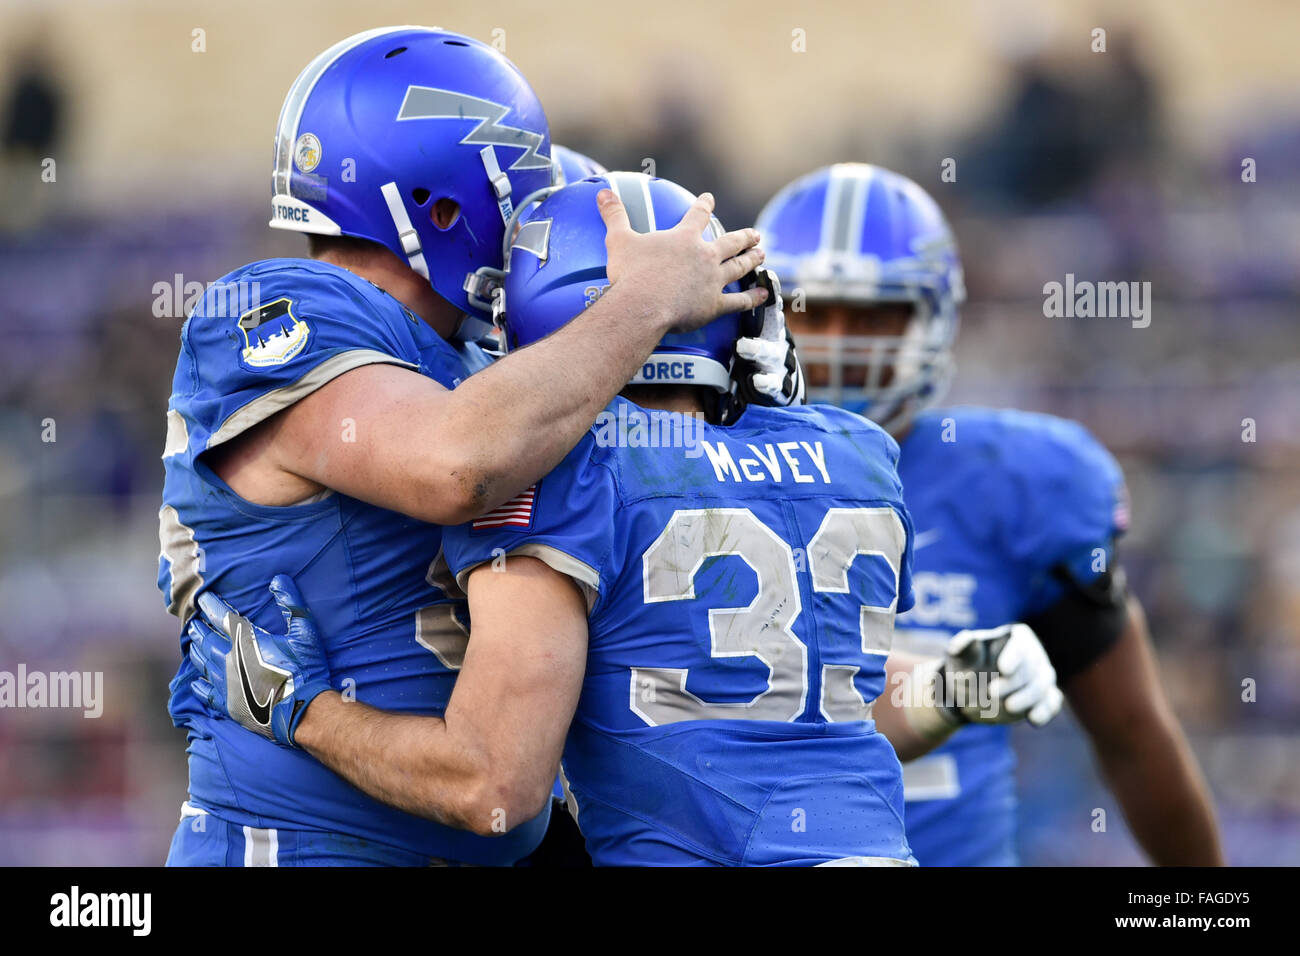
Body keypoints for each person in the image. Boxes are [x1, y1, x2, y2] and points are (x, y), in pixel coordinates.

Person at [184, 173, 1064, 866]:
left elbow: (494, 783)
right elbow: (784, 716)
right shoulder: (851, 452)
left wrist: (300, 712)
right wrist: (949, 689)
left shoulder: (565, 473)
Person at [159, 27, 781, 867]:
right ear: (445, 208)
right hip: (292, 848)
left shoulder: (474, 362)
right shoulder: (281, 305)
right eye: (521, 197)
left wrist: (726, 385)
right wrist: (643, 308)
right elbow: (457, 464)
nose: (528, 228)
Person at [756, 162, 1223, 866]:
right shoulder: (690, 467)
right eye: (812, 311)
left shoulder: (1020, 484)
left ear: (935, 320)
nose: (841, 343)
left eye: (876, 316)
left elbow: (1131, 733)